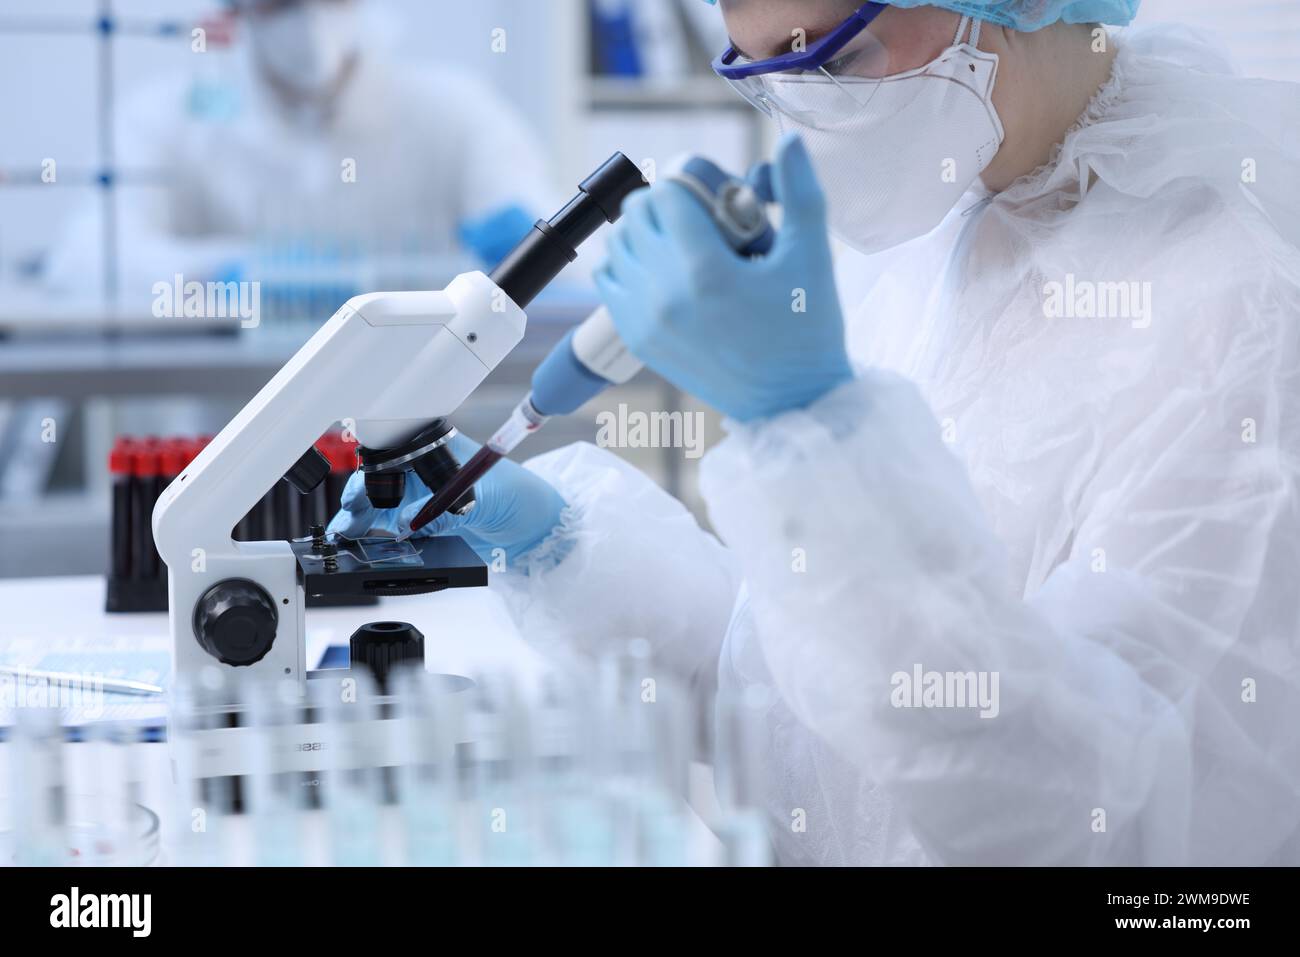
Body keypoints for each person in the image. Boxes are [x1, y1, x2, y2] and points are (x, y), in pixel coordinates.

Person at [333, 0, 1300, 865]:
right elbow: (794, 687)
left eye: (834, 61)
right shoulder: (924, 241)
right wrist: (561, 542)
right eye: (764, 74)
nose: (806, 114)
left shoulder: (1237, 313)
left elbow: (1077, 806)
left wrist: (812, 430)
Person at [46, 0, 553, 298]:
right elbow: (83, 260)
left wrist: (537, 250)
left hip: (424, 436)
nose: (308, 18)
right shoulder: (171, 117)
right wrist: (223, 274)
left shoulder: (455, 110)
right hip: (227, 437)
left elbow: (574, 255)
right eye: (281, 1)